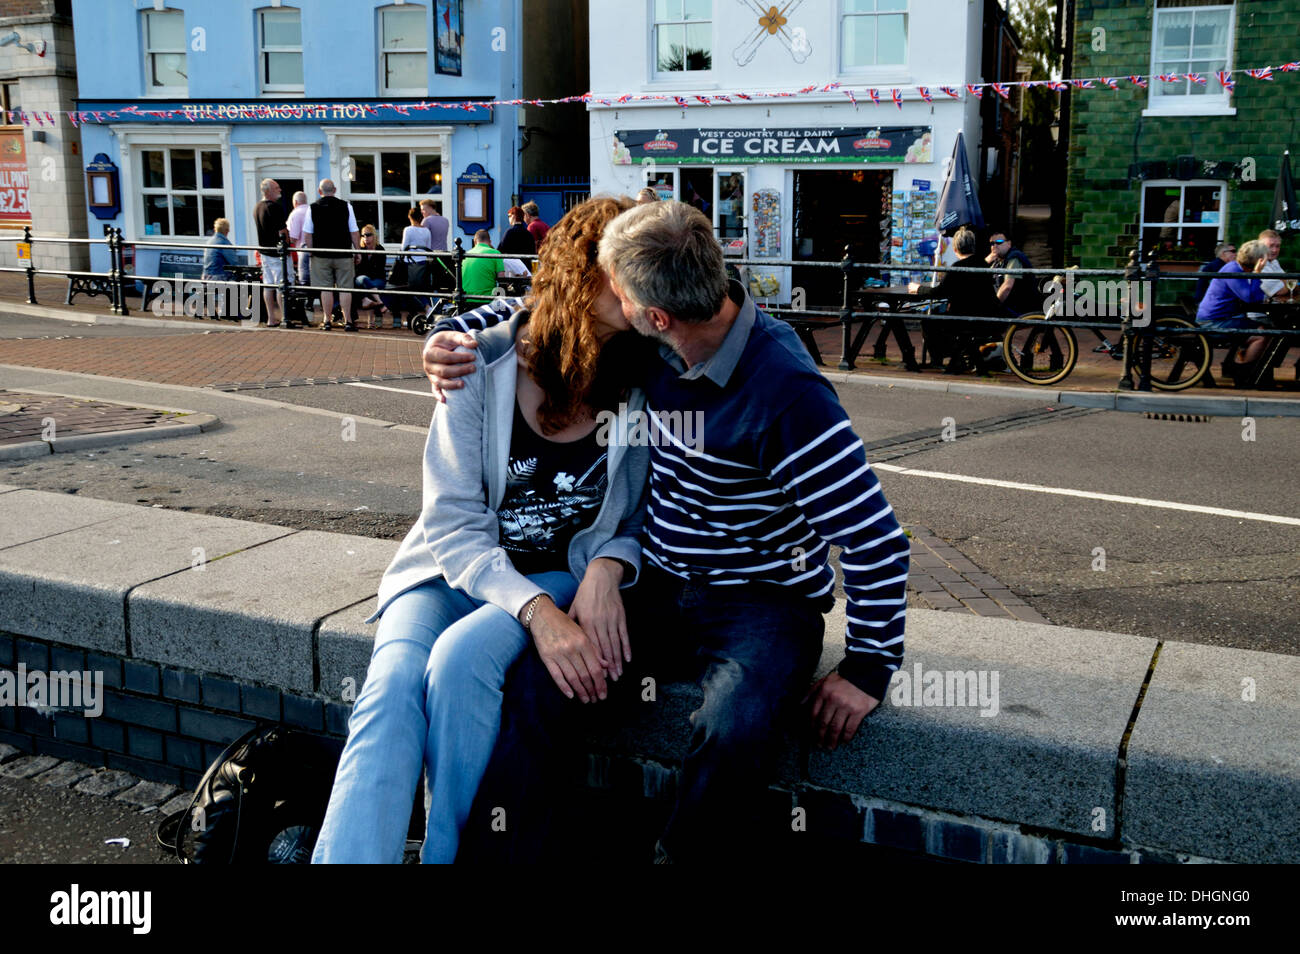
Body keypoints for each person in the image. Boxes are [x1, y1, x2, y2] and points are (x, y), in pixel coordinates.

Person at [425, 200, 909, 863]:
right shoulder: (662, 335)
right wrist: (454, 336)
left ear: (654, 316)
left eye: (617, 294)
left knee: (734, 727)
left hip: (762, 601)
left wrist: (868, 668)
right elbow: (544, 309)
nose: (611, 305)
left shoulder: (789, 397)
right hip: (658, 583)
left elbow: (874, 538)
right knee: (543, 686)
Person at [312, 195, 650, 864]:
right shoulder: (480, 368)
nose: (639, 289)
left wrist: (609, 566)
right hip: (446, 570)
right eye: (622, 272)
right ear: (581, 276)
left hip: (554, 569)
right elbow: (454, 522)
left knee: (459, 664)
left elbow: (638, 511)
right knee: (393, 685)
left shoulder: (641, 379)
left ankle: (449, 855)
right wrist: (536, 615)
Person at [909, 226, 1005, 373]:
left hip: (964, 320)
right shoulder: (982, 264)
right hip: (987, 318)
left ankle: (940, 359)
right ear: (973, 246)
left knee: (929, 321)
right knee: (952, 326)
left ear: (955, 248)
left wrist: (918, 288)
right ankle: (960, 360)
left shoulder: (957, 268)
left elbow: (938, 292)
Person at [1196, 238, 1269, 380]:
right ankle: (1244, 374)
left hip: (1224, 318)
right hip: (1212, 322)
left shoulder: (1239, 269)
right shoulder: (1233, 270)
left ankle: (1239, 367)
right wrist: (1257, 274)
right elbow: (1251, 298)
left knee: (1263, 329)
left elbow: (1254, 297)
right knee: (1262, 334)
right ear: (1258, 260)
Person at [301, 178, 361, 331]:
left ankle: (327, 320)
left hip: (321, 254)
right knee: (346, 288)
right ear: (334, 190)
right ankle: (348, 321)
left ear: (319, 191)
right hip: (343, 252)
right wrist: (357, 251)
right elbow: (354, 231)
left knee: (325, 288)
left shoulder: (313, 208)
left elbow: (308, 234)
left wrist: (312, 251)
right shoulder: (346, 206)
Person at [252, 178, 287, 327]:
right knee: (281, 285)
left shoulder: (257, 207)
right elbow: (282, 231)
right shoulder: (275, 207)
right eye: (277, 188)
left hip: (264, 251)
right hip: (276, 253)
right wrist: (288, 240)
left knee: (268, 285)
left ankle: (271, 318)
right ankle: (285, 317)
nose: (280, 190)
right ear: (269, 191)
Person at [354, 225, 400, 329]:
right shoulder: (360, 249)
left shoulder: (380, 249)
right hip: (363, 279)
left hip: (377, 279)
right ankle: (380, 304)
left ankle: (372, 321)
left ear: (374, 235)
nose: (366, 238)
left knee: (370, 287)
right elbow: (358, 270)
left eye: (368, 235)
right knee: (365, 281)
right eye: (363, 235)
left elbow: (379, 270)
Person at [984, 230, 1040, 317]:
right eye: (992, 243)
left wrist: (995, 306)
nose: (994, 246)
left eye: (999, 242)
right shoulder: (997, 261)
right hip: (1010, 305)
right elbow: (982, 276)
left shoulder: (1014, 258)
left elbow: (1007, 286)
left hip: (1020, 308)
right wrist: (987, 260)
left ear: (1009, 244)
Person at [462, 229, 502, 303]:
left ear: (475, 242)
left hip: (467, 300)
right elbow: (502, 278)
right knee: (502, 293)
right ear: (490, 241)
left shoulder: (465, 255)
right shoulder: (495, 253)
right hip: (487, 301)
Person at [286, 191, 311, 286]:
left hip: (303, 252)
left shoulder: (295, 214)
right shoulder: (311, 210)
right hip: (317, 251)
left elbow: (292, 238)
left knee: (304, 282)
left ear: (295, 202)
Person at [1257, 229, 1288, 299]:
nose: (1275, 250)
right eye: (1271, 246)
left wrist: (1284, 282)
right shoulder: (1258, 264)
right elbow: (1280, 291)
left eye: (1277, 246)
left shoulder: (1273, 261)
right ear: (1260, 246)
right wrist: (1285, 281)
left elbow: (1288, 281)